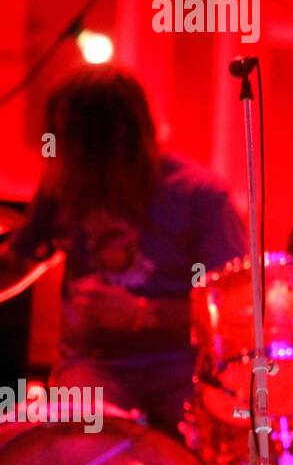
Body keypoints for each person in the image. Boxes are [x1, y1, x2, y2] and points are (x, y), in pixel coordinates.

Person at [0, 65, 246, 433]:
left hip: (182, 370)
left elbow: (233, 307)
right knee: (83, 446)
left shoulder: (200, 195)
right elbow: (16, 263)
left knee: (197, 460)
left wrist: (143, 313)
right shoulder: (63, 187)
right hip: (92, 368)